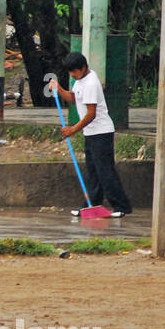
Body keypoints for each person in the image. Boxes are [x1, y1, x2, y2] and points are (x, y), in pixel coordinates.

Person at [50, 50, 132, 217]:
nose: (72, 75)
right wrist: (58, 88)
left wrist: (72, 129)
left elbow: (91, 113)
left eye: (74, 71)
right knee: (92, 171)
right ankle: (92, 204)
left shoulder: (91, 83)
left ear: (83, 68)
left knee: (105, 170)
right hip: (90, 133)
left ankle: (121, 207)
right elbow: (74, 98)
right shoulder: (80, 81)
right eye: (70, 72)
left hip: (101, 132)